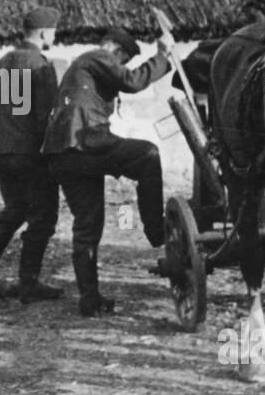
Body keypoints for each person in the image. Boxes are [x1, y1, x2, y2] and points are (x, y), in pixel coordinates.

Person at [42, 28, 172, 316]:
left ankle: (89, 298)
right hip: (85, 141)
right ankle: (156, 231)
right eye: (122, 58)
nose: (121, 64)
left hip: (64, 154)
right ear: (113, 47)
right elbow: (133, 82)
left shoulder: (82, 65)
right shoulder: (98, 55)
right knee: (148, 156)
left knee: (87, 226)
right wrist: (162, 56)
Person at [0, 6, 63, 304]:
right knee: (44, 217)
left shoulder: (3, 63)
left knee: (16, 208)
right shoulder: (39, 65)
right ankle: (28, 283)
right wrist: (52, 156)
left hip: (1, 152)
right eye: (54, 31)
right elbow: (44, 117)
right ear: (45, 32)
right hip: (29, 155)